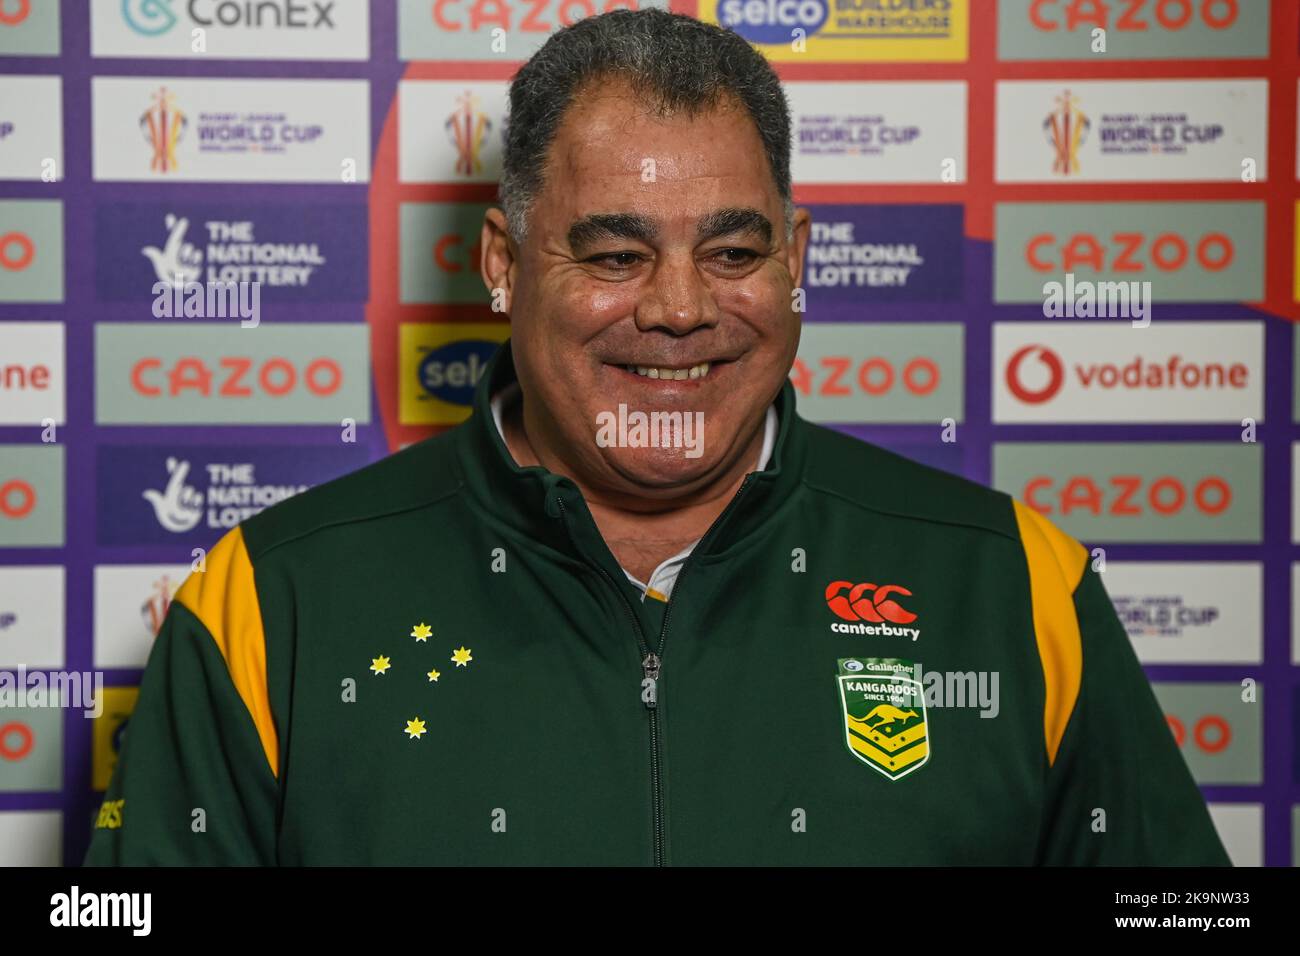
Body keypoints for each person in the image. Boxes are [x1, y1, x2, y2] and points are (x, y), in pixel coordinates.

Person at [85, 8, 1229, 866]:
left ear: (796, 259)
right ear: (500, 263)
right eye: (616, 254)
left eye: (732, 252)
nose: (680, 308)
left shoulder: (1011, 581)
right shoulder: (265, 605)